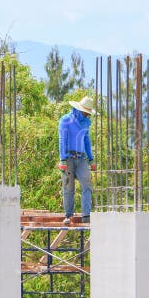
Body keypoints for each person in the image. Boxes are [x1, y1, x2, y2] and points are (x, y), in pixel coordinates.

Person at [58, 95, 97, 224]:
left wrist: (91, 159)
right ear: (81, 110)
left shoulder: (86, 123)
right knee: (68, 187)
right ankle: (68, 215)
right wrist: (63, 159)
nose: (88, 114)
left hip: (81, 158)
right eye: (87, 112)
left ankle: (86, 215)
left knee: (87, 185)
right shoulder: (65, 120)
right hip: (68, 158)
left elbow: (86, 140)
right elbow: (62, 140)